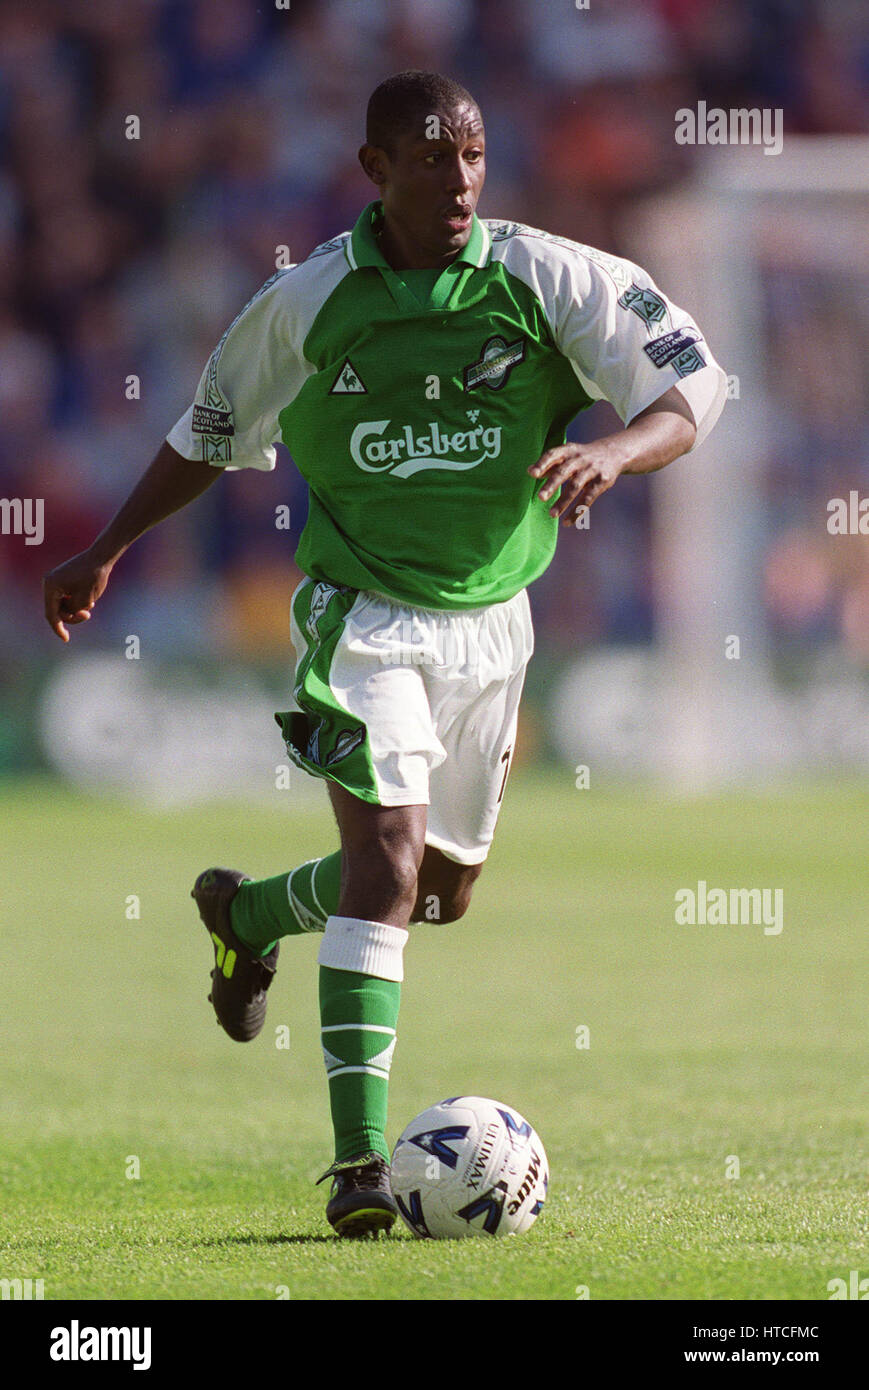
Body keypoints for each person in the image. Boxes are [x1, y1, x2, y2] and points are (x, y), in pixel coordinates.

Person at [43, 70, 726, 1238]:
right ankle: (358, 1168)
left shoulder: (549, 277)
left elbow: (694, 386)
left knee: (439, 895)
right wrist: (106, 547)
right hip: (361, 616)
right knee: (388, 866)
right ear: (373, 171)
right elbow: (207, 433)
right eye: (425, 156)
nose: (454, 178)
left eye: (467, 154)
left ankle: (248, 915)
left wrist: (617, 452)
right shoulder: (306, 303)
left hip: (493, 626)